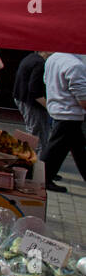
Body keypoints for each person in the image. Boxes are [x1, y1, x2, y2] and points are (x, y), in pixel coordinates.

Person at [42, 52, 86, 193]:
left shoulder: (54, 58)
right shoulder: (75, 65)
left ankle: (45, 177)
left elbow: (45, 80)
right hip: (69, 113)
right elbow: (81, 95)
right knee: (55, 149)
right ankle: (43, 178)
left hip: (60, 109)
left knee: (78, 149)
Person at [12, 51, 52, 161]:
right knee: (39, 135)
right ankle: (38, 166)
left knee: (33, 132)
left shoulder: (31, 58)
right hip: (31, 102)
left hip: (22, 98)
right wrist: (49, 108)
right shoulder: (40, 63)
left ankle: (29, 159)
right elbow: (35, 90)